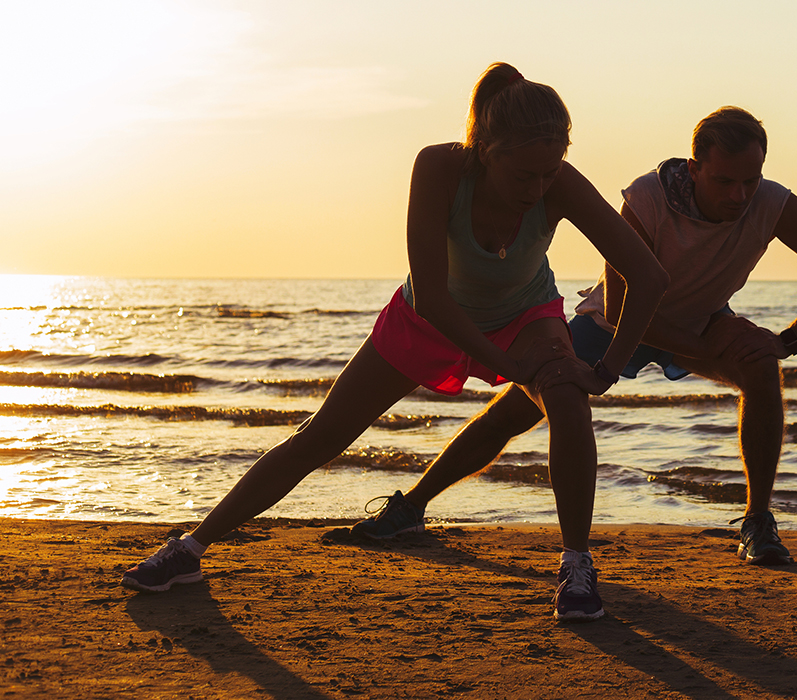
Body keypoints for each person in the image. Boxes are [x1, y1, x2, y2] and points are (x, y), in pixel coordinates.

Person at [120, 63, 668, 622]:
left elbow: (647, 276)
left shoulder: (559, 182)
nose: (538, 189)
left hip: (525, 313)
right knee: (321, 436)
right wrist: (510, 367)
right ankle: (189, 549)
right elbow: (432, 297)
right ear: (485, 150)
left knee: (570, 403)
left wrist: (605, 371)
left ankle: (576, 566)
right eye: (525, 175)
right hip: (429, 316)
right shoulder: (439, 168)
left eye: (549, 174)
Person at [355, 106, 797, 565]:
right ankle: (412, 507)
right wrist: (705, 346)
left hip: (701, 319)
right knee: (514, 413)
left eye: (749, 181)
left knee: (760, 367)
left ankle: (758, 520)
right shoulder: (647, 198)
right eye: (724, 182)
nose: (738, 196)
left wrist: (786, 340)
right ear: (695, 169)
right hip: (615, 323)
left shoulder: (770, 204)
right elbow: (626, 305)